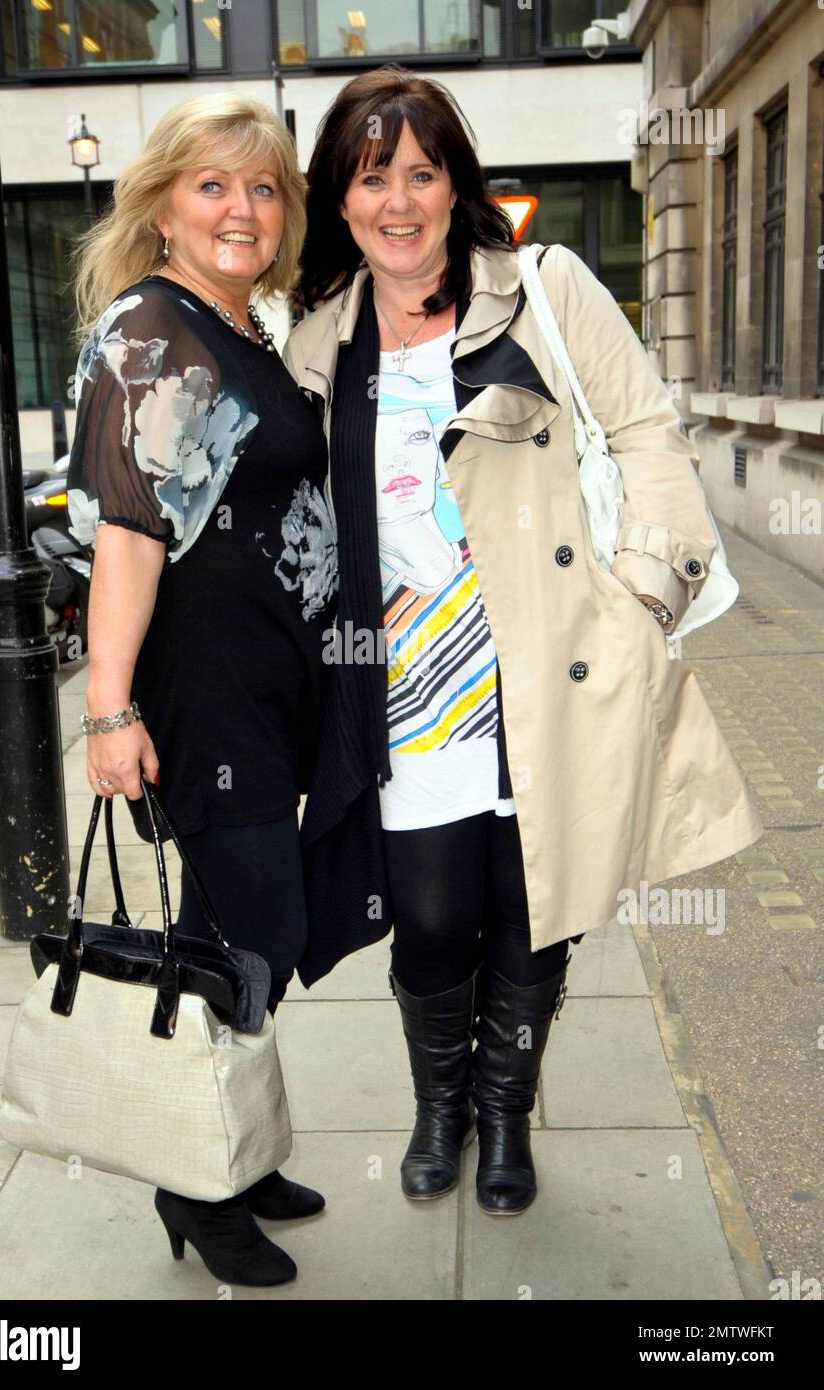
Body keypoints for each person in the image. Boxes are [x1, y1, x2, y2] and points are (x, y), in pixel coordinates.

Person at [283, 66, 764, 1217]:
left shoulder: (541, 287)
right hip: (405, 687)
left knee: (537, 900)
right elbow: (293, 527)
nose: (398, 199)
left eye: (420, 171)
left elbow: (646, 427)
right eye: (370, 177)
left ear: (455, 184)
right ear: (338, 201)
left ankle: (502, 1109)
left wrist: (645, 593)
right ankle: (435, 1101)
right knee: (435, 911)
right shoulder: (316, 345)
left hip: (551, 665)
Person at [65, 92, 337, 1287]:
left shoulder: (240, 326)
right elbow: (127, 534)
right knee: (252, 928)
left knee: (226, 930)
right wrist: (108, 710)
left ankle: (237, 1147)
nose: (243, 208)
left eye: (265, 187)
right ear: (164, 205)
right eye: (214, 185)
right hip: (205, 692)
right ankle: (195, 1187)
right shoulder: (155, 330)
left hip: (271, 689)